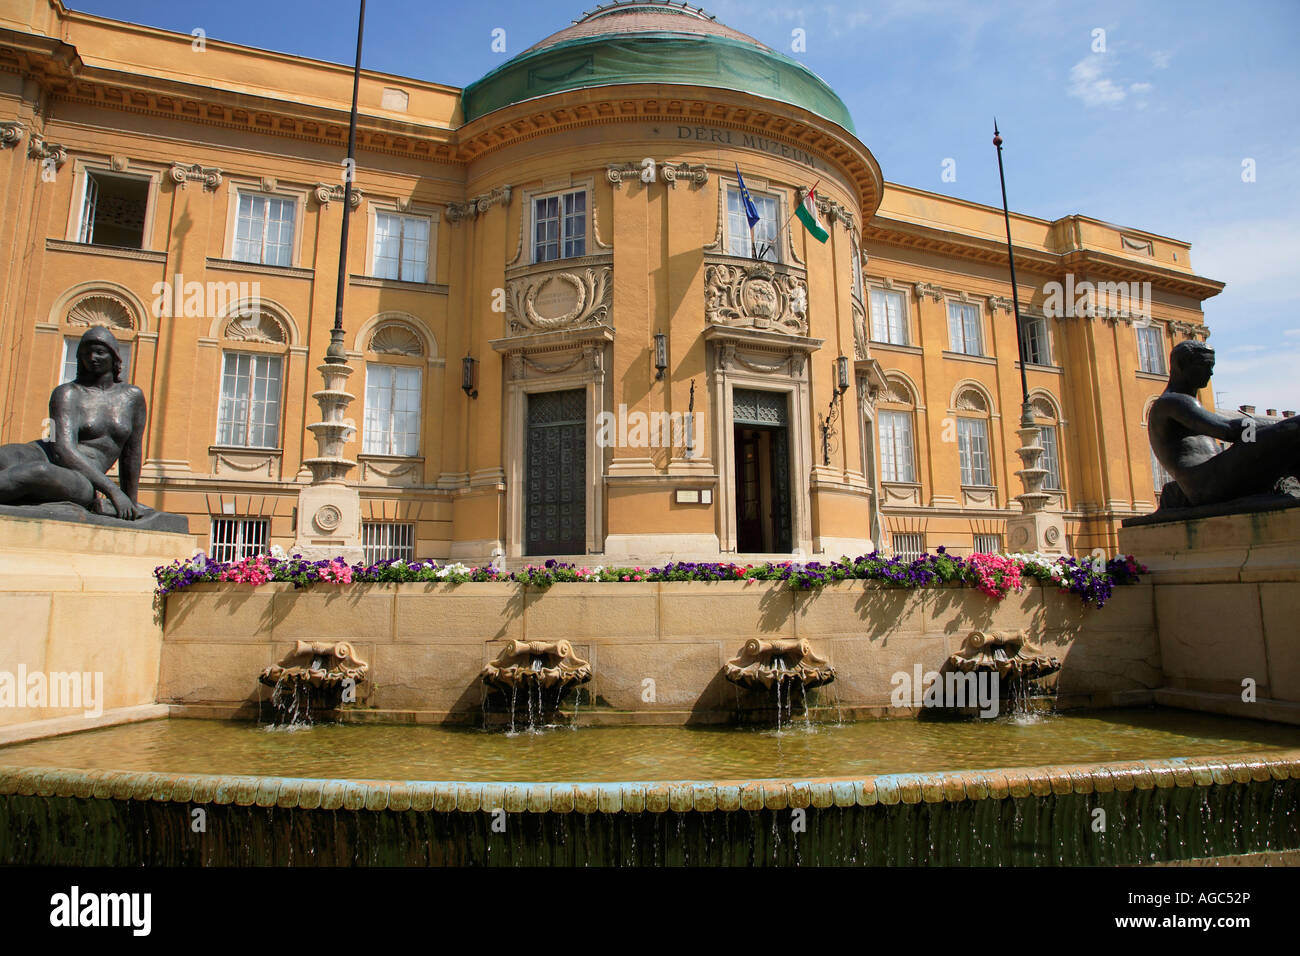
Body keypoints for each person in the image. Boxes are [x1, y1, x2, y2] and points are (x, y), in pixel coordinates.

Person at [0, 326, 146, 519]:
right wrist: (113, 490)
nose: (92, 358)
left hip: (84, 479)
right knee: (5, 455)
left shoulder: (131, 397)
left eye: (100, 352)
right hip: (48, 454)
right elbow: (63, 449)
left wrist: (129, 500)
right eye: (86, 353)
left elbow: (132, 453)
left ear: (114, 357)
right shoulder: (67, 392)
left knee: (36, 472)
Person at [1148, 340, 1300, 507]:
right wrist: (1281, 428)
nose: (1211, 372)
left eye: (1212, 365)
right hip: (1206, 484)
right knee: (1293, 430)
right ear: (1181, 364)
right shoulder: (1173, 402)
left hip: (1212, 478)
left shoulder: (1184, 403)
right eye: (1205, 365)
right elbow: (1229, 430)